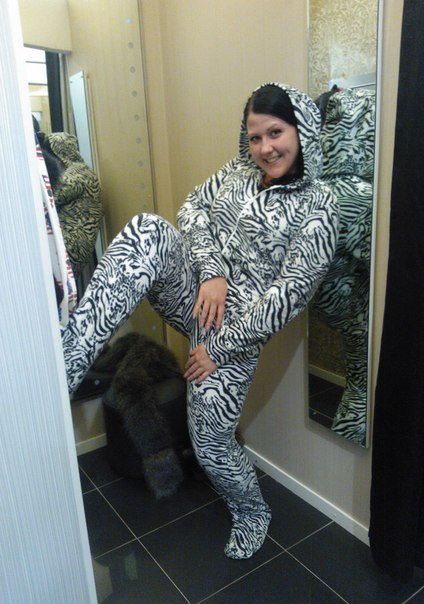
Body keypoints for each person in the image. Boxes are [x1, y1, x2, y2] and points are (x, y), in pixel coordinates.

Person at [62, 82, 339, 559]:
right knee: (149, 228)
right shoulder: (238, 170)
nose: (265, 148)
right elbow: (192, 207)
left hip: (235, 333)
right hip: (194, 290)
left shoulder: (320, 205)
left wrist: (217, 347)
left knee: (209, 442)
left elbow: (288, 297)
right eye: (255, 137)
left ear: (301, 131)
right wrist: (212, 271)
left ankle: (252, 511)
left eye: (275, 133)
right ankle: (65, 365)